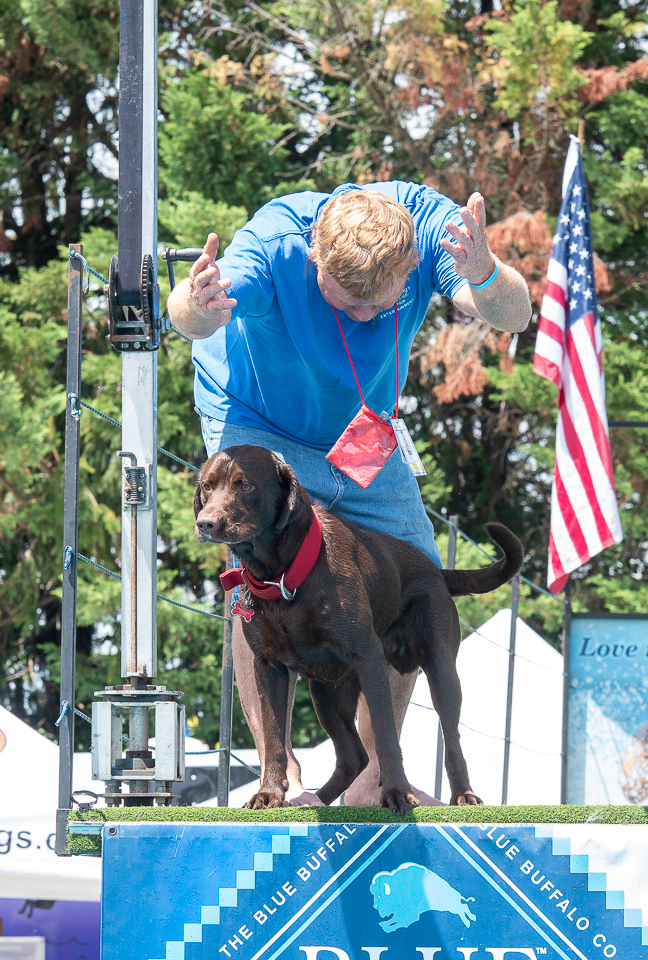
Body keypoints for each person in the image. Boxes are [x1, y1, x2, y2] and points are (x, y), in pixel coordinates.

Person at [167, 182, 531, 807]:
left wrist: (485, 272)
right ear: (315, 257)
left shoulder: (427, 229)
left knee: (415, 579)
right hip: (259, 419)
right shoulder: (276, 243)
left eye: (376, 304)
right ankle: (280, 777)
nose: (361, 317)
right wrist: (195, 302)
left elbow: (513, 313)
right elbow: (191, 315)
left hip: (361, 430)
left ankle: (375, 775)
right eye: (344, 299)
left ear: (409, 266)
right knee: (260, 577)